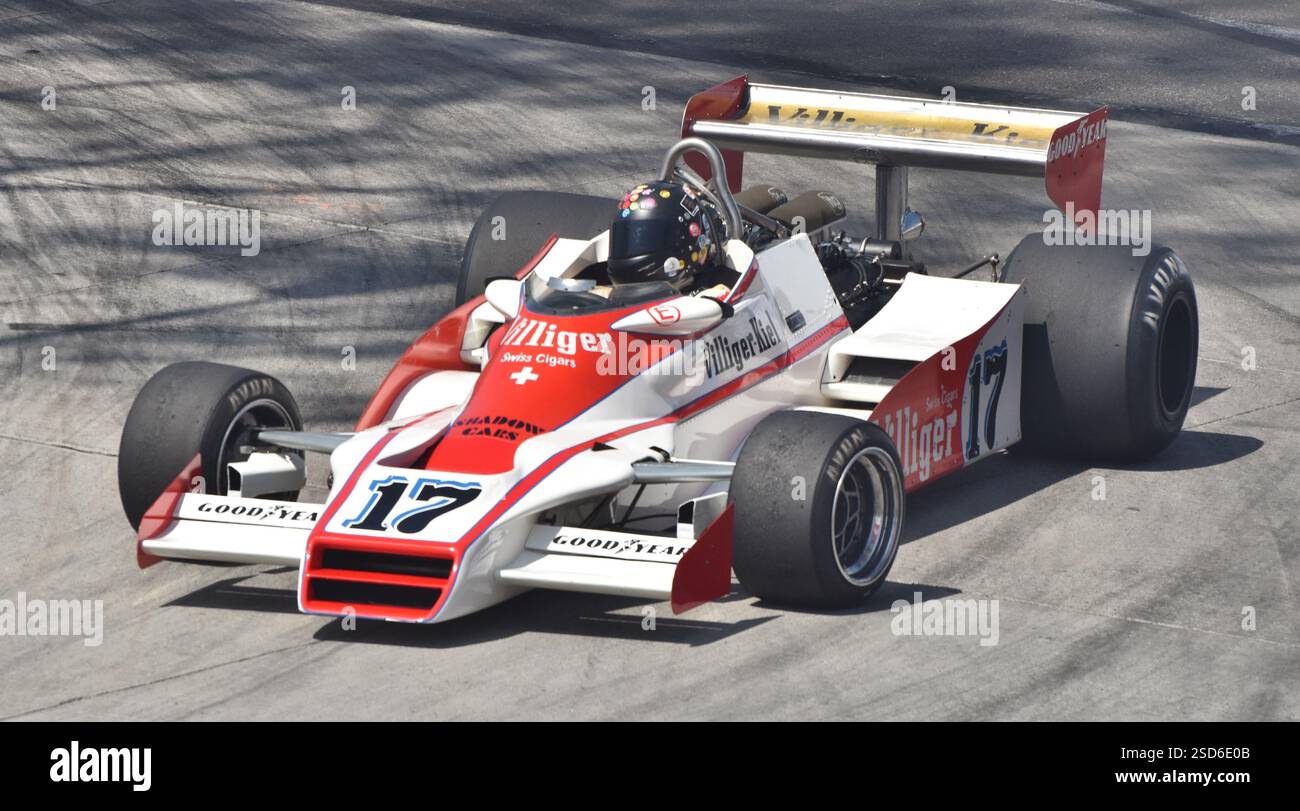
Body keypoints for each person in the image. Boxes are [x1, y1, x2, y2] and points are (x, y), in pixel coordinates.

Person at [606, 180, 735, 299]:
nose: (632, 246)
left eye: (649, 237)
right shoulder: (604, 291)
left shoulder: (716, 292)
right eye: (625, 237)